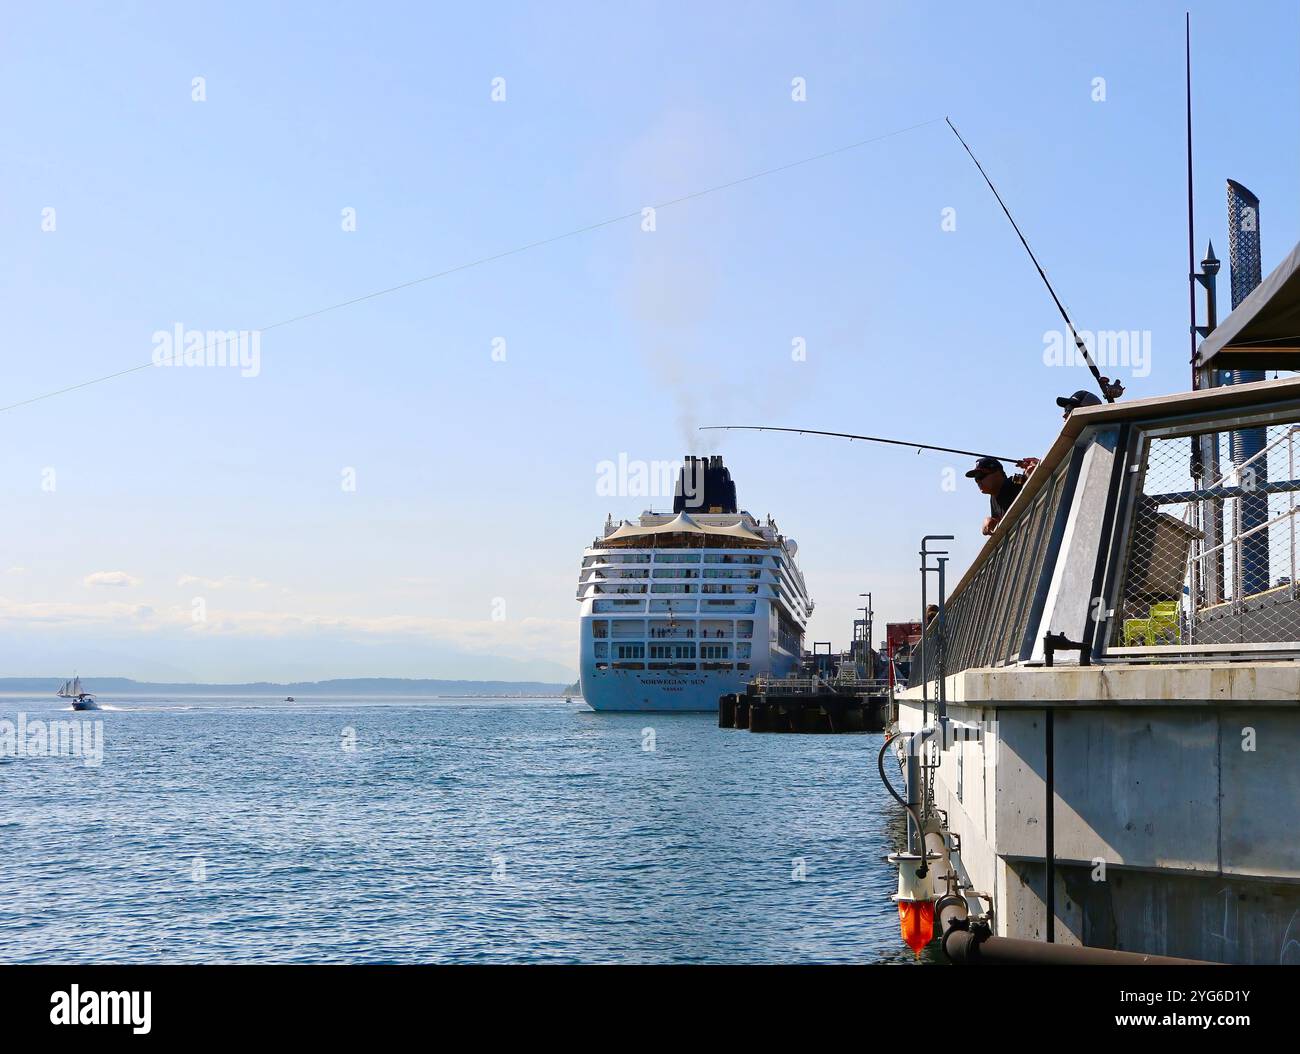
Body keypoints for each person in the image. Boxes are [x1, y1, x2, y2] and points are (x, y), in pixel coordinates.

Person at [965, 456, 1036, 536]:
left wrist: (1033, 467)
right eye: (976, 479)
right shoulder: (993, 498)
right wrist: (989, 521)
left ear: (997, 472)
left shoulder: (1013, 480)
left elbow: (1031, 475)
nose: (978, 481)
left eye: (980, 476)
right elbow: (997, 520)